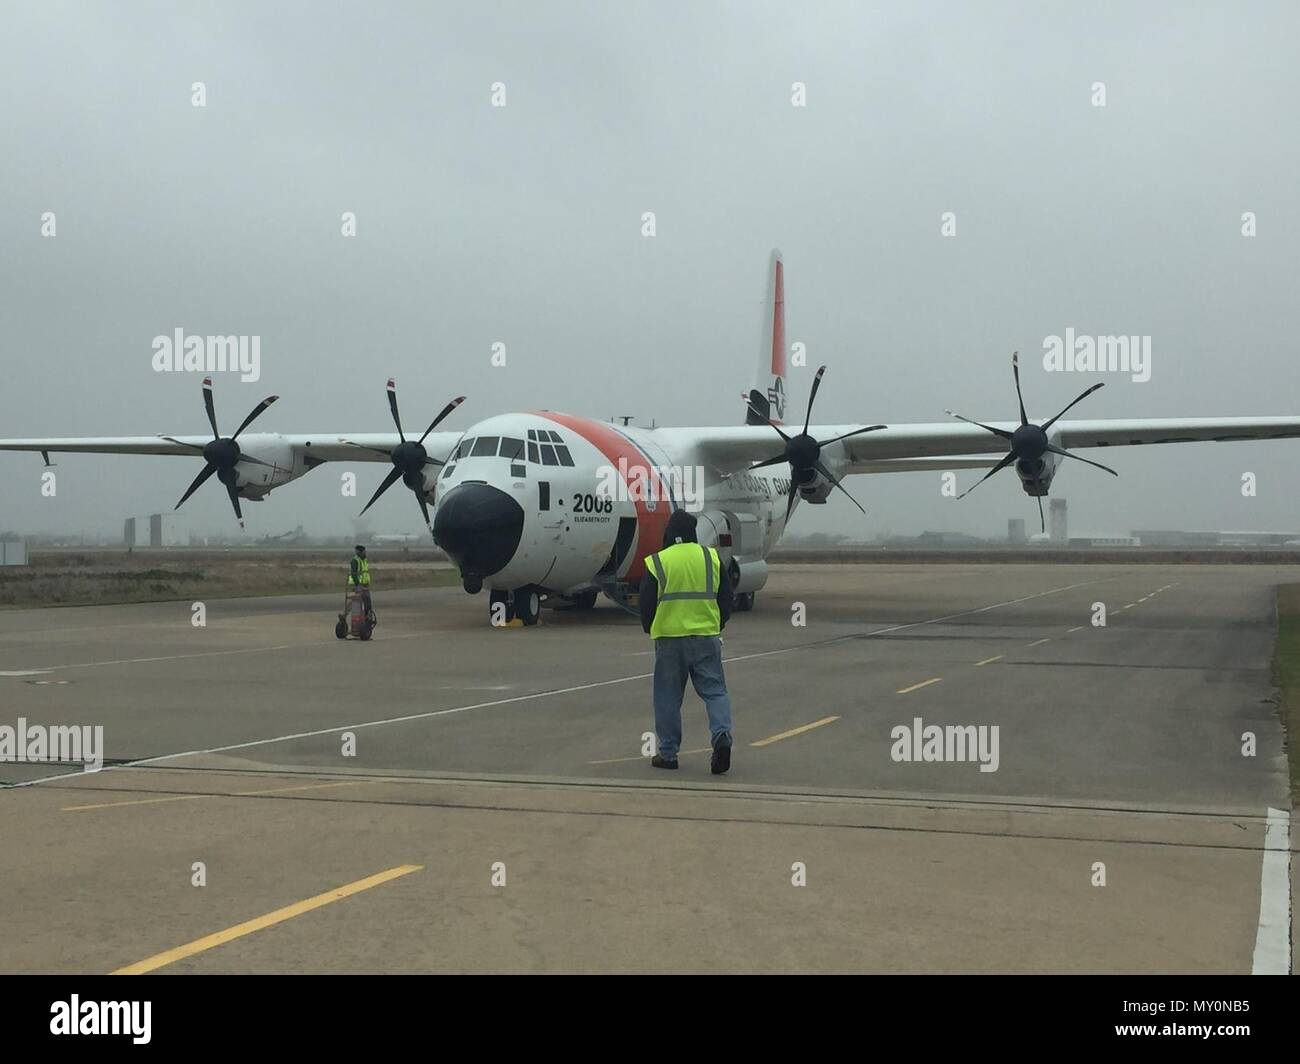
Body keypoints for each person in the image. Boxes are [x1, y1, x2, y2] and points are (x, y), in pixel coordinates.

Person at [639, 510, 735, 774]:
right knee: (715, 691)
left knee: (668, 697)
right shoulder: (711, 557)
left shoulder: (657, 561)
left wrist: (650, 628)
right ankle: (721, 736)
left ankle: (668, 754)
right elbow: (726, 597)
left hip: (669, 639)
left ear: (668, 533)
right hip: (705, 637)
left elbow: (646, 602)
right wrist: (717, 624)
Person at [348, 544, 373, 616]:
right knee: (355, 601)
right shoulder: (355, 561)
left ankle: (368, 615)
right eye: (364, 552)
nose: (365, 553)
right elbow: (353, 574)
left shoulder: (365, 560)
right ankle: (344, 615)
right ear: (359, 552)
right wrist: (358, 585)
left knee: (367, 601)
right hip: (357, 585)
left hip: (365, 584)